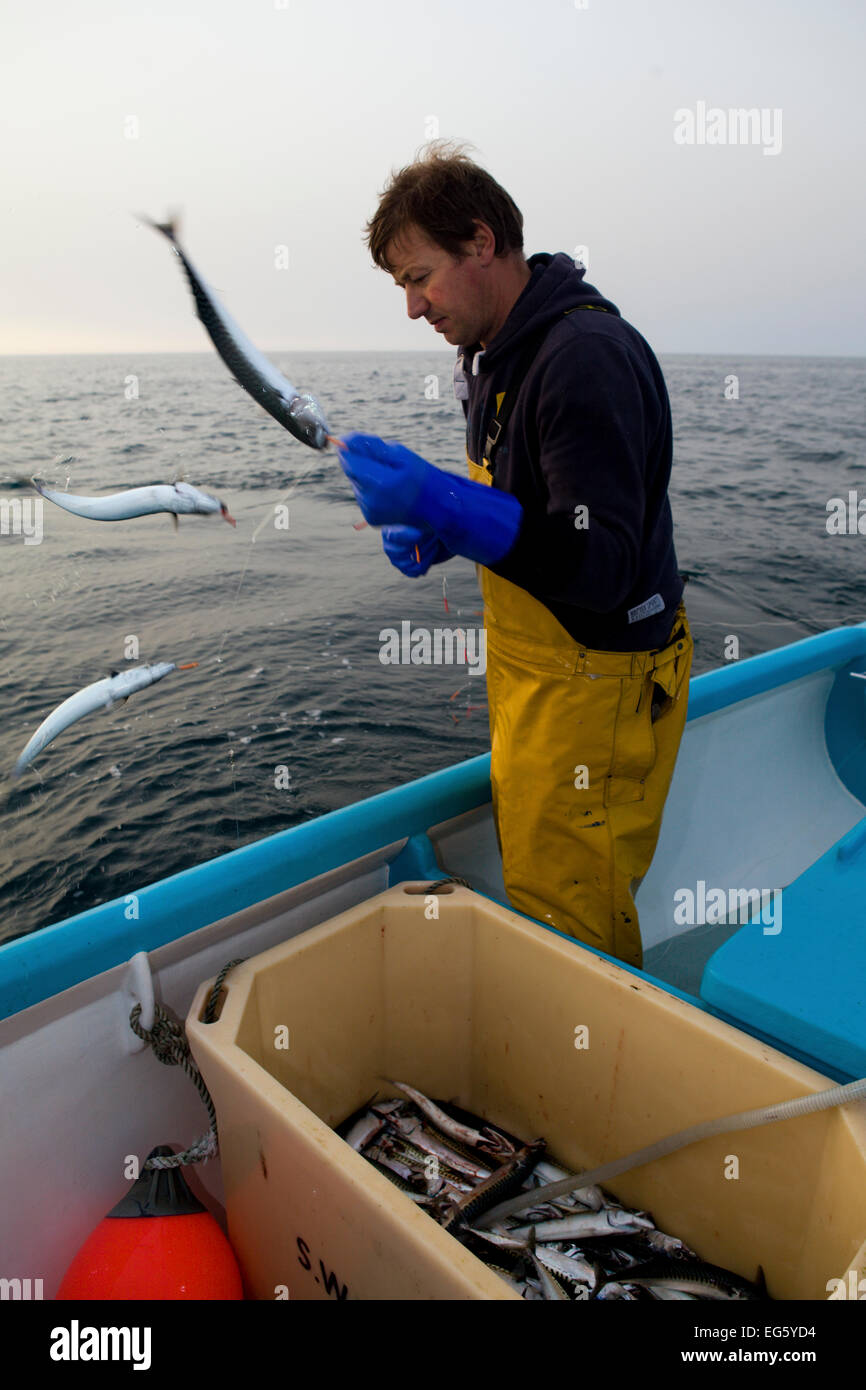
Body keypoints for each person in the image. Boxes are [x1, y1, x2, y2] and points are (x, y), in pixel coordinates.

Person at [335, 143, 693, 968]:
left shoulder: (583, 358)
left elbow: (599, 565)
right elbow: (538, 510)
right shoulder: (496, 353)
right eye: (401, 286)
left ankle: (603, 1075)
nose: (415, 307)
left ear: (483, 240)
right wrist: (449, 529)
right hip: (539, 678)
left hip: (594, 685)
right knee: (543, 888)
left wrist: (438, 500)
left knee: (574, 920)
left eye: (420, 276)